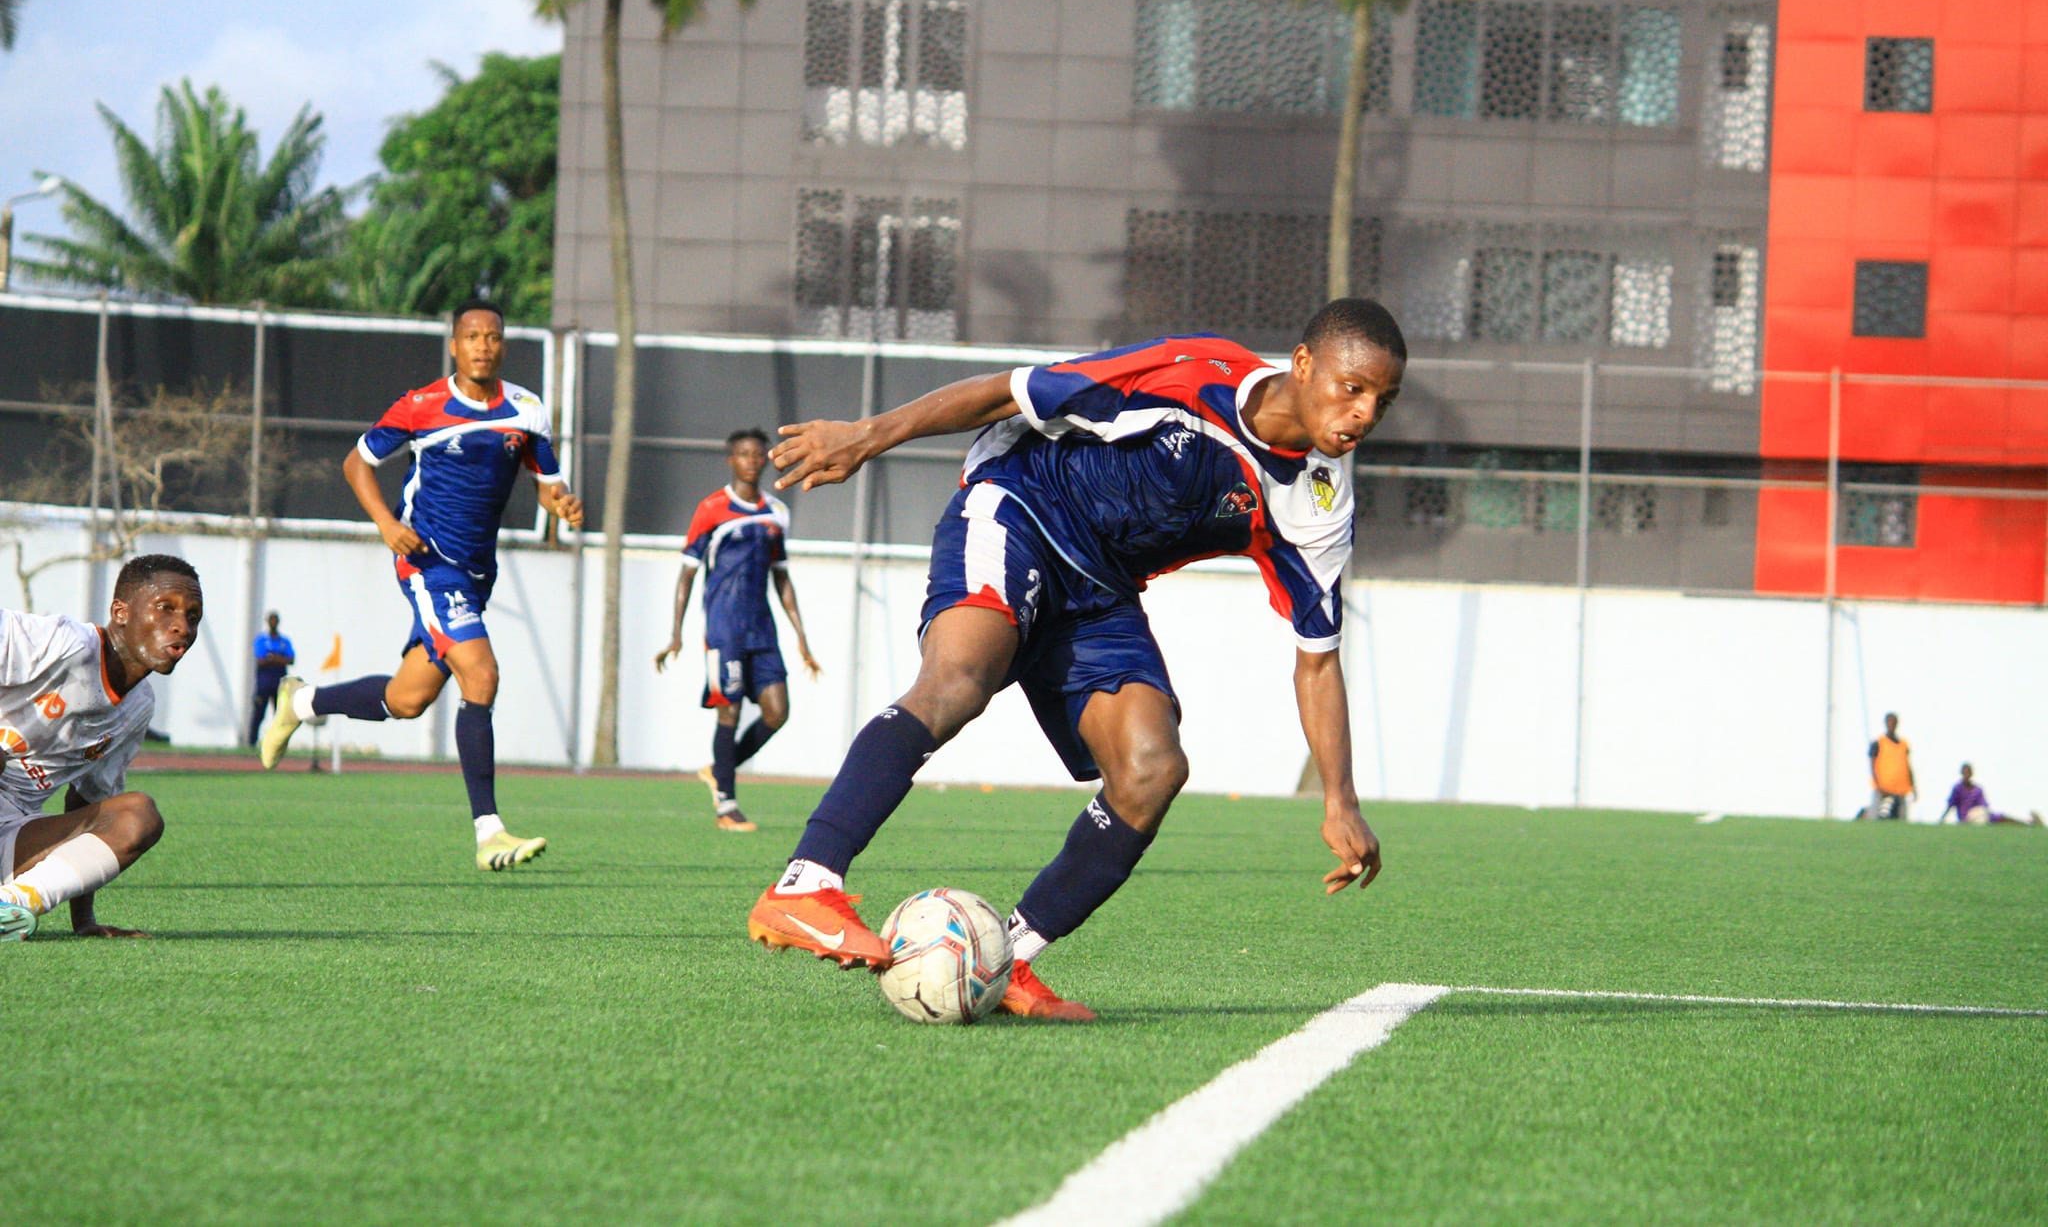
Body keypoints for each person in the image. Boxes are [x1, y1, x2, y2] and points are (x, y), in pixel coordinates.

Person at [744, 299, 1403, 1021]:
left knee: (1152, 769)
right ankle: (806, 882)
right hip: (1019, 502)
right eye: (1354, 388)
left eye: (1383, 399)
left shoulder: (1319, 498)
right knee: (960, 679)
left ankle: (1006, 959)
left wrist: (1340, 798)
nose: (1365, 413)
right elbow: (1009, 390)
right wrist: (867, 436)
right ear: (1303, 365)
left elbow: (1317, 659)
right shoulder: (1189, 376)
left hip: (1100, 587)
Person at [258, 301, 583, 871]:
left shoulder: (527, 409)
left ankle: (302, 701)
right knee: (481, 674)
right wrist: (387, 524)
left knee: (408, 700)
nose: (483, 345)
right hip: (429, 562)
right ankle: (490, 833)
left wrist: (565, 504)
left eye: (493, 337)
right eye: (472, 337)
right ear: (455, 346)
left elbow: (547, 485)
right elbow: (356, 463)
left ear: (503, 346)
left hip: (479, 570)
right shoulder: (420, 406)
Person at [0, 555, 203, 941]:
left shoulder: (138, 708)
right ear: (121, 612)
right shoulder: (60, 642)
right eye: (166, 608)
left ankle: (12, 904)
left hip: (9, 832)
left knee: (136, 815)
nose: (182, 626)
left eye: (193, 616)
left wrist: (84, 921)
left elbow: (86, 804)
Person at [655, 428, 821, 832]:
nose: (751, 460)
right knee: (727, 712)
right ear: (731, 460)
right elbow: (686, 575)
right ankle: (726, 805)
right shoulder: (712, 508)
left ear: (765, 459)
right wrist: (675, 633)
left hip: (762, 630)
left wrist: (801, 639)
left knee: (777, 713)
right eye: (743, 454)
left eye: (757, 454)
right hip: (723, 629)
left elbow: (782, 579)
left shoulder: (776, 513)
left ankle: (718, 769)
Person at [1938, 763, 2043, 827]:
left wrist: (1983, 813)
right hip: (1967, 818)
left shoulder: (1977, 789)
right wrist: (1942, 820)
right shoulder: (1957, 788)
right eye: (1965, 772)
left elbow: (1983, 805)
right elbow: (1951, 805)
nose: (1967, 774)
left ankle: (2029, 823)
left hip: (1981, 815)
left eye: (1969, 772)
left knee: (2002, 817)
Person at [246, 611, 294, 746]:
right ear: (267, 622)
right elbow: (260, 660)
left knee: (280, 715)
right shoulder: (261, 640)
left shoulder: (284, 641)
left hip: (280, 684)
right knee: (259, 714)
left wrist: (272, 658)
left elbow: (291, 659)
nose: (273, 623)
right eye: (271, 620)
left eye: (275, 620)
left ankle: (278, 743)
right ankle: (251, 743)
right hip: (264, 684)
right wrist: (280, 659)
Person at [1868, 712, 1914, 820]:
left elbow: (1907, 765)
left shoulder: (1903, 744)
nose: (1891, 724)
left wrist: (1913, 785)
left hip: (1901, 787)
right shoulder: (1878, 742)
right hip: (1883, 787)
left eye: (1893, 722)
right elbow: (1872, 765)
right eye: (1889, 722)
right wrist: (1878, 784)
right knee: (1875, 815)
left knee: (1902, 817)